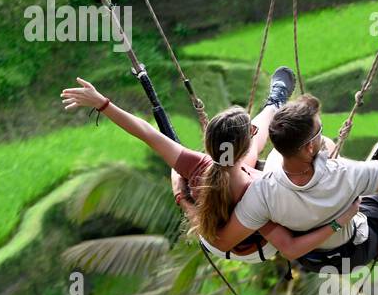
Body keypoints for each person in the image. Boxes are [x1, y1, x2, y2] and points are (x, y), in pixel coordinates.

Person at [60, 69, 358, 263]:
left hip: (220, 236)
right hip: (253, 248)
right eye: (251, 131)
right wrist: (338, 219)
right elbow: (290, 246)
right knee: (315, 150)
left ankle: (275, 102)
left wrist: (102, 103)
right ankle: (274, 104)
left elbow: (146, 132)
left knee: (252, 155)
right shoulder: (259, 190)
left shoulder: (200, 163)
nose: (254, 133)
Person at [211, 82, 378, 272]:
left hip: (310, 260)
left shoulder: (261, 192)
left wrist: (264, 222)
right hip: (357, 249)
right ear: (309, 147)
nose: (321, 137)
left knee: (332, 146)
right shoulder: (346, 176)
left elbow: (222, 241)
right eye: (318, 132)